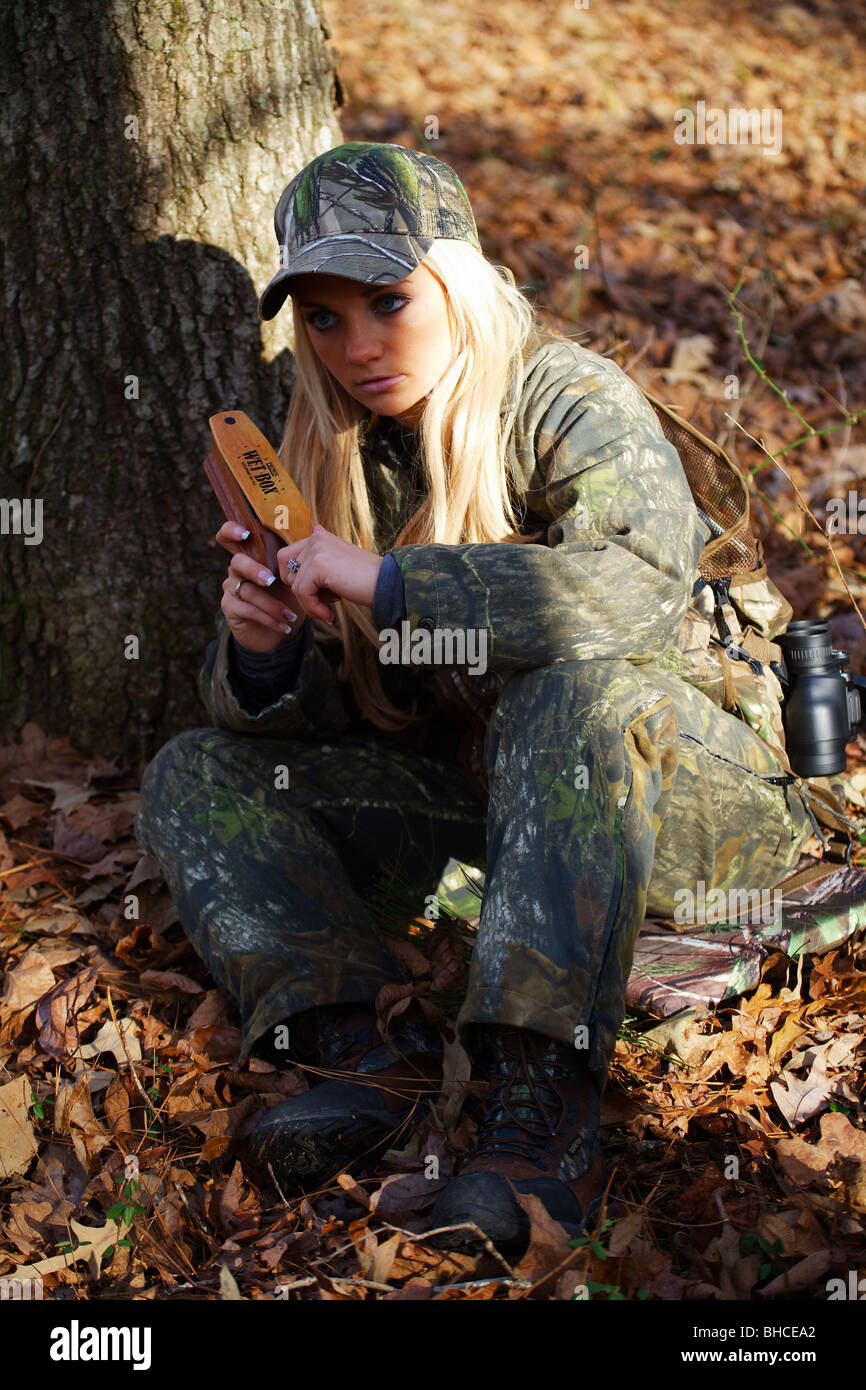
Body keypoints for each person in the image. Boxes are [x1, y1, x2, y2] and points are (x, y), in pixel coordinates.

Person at [136, 141, 817, 1257]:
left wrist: (386, 579)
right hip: (509, 822)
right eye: (321, 317)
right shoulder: (327, 444)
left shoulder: (565, 397)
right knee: (196, 770)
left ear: (457, 279)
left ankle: (532, 1117)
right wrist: (264, 652)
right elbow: (317, 726)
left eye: (388, 301)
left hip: (693, 809)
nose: (356, 346)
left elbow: (634, 596)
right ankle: (356, 1057)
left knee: (577, 693)